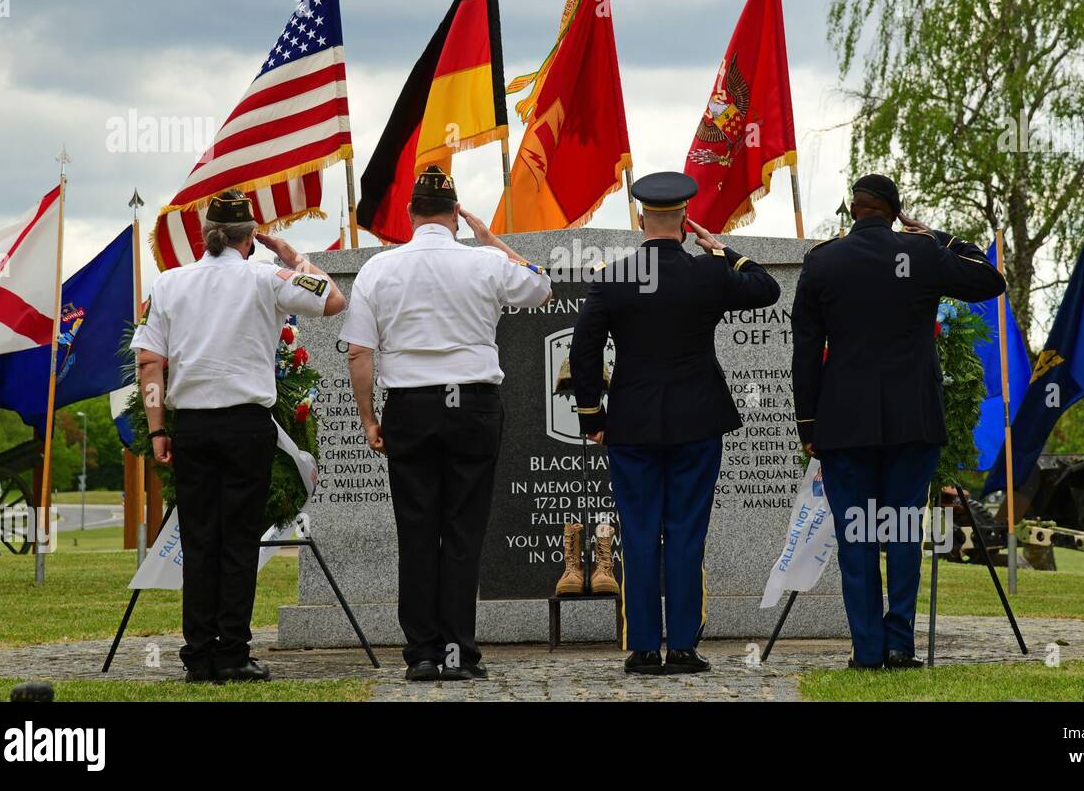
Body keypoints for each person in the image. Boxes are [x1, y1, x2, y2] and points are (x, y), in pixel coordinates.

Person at [341, 165, 552, 682]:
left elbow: (359, 353)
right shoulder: (483, 261)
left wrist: (369, 417)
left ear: (411, 214)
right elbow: (541, 288)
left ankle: (423, 654)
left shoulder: (378, 269)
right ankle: (458, 650)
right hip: (473, 406)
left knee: (416, 530)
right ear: (456, 214)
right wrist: (494, 240)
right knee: (463, 530)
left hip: (410, 406)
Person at [791, 173, 1005, 670]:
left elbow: (806, 351)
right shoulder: (924, 253)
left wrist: (808, 424)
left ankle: (866, 650)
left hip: (844, 424)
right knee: (905, 530)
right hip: (913, 420)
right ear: (895, 212)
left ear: (852, 210)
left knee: (857, 537)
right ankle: (898, 646)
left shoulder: (823, 261)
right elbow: (988, 279)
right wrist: (936, 236)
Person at [570, 171, 780, 675]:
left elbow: (584, 349)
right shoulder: (708, 274)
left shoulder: (613, 276)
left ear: (641, 220)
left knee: (639, 532)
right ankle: (683, 646)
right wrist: (724, 250)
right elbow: (767, 288)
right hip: (697, 420)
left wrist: (592, 415)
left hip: (633, 423)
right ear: (686, 221)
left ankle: (644, 648)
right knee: (686, 532)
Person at [132, 189, 346, 683]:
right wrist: (295, 257)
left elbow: (149, 362)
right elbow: (333, 300)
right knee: (238, 541)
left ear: (207, 236)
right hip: (246, 425)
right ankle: (232, 652)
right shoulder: (267, 275)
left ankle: (198, 655)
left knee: (200, 538)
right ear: (250, 238)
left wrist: (159, 427)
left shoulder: (168, 283)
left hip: (192, 426)